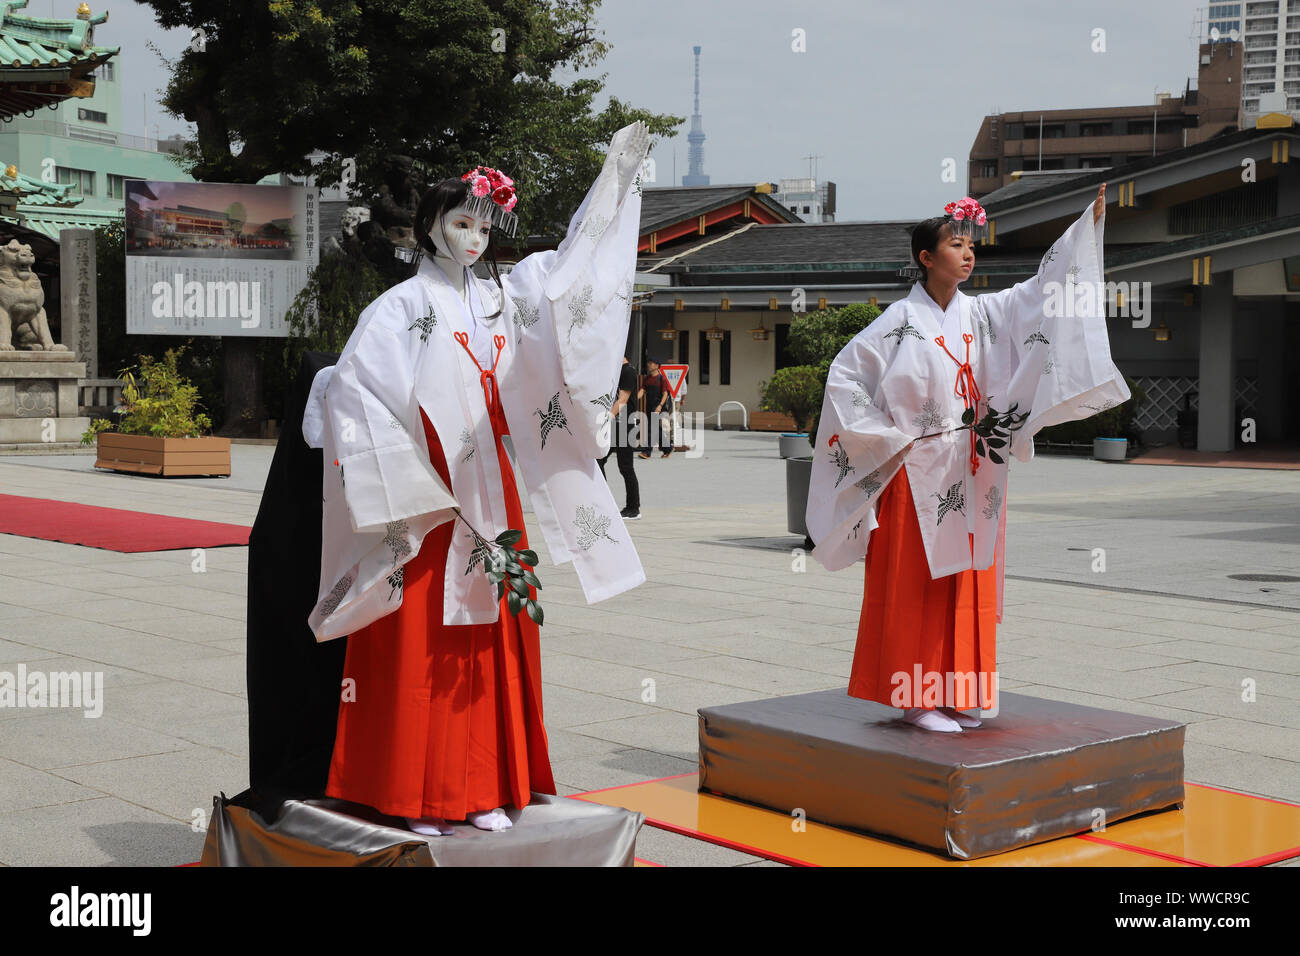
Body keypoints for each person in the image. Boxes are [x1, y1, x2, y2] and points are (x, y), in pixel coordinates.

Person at [302, 123, 651, 833]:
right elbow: (348, 395)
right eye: (460, 222)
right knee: (420, 642)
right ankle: (413, 792)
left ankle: (486, 783)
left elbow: (567, 282)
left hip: (490, 490)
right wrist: (409, 470)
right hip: (427, 497)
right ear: (429, 228)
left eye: (484, 226)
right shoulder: (397, 308)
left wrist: (614, 189)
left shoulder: (500, 302)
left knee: (491, 634)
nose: (473, 238)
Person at [806, 187, 1127, 733]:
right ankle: (914, 697)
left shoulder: (984, 313)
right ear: (926, 259)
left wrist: (1083, 232)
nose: (968, 253)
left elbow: (1040, 292)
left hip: (971, 467)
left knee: (970, 579)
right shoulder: (897, 322)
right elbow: (844, 380)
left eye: (970, 245)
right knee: (917, 581)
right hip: (915, 467)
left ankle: (958, 690)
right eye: (956, 245)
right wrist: (887, 438)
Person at [598, 355, 642, 519]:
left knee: (626, 467)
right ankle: (603, 503)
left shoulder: (628, 371)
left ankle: (633, 508)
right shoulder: (615, 371)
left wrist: (606, 418)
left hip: (625, 425)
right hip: (615, 426)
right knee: (598, 461)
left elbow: (623, 399)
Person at [638, 359, 674, 458]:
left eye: (651, 363)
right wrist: (634, 398)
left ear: (657, 366)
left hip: (657, 407)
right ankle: (668, 448)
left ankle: (646, 452)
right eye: (648, 363)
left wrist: (660, 406)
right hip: (649, 406)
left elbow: (665, 394)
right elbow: (642, 390)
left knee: (650, 428)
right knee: (656, 429)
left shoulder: (662, 379)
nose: (649, 365)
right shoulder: (647, 378)